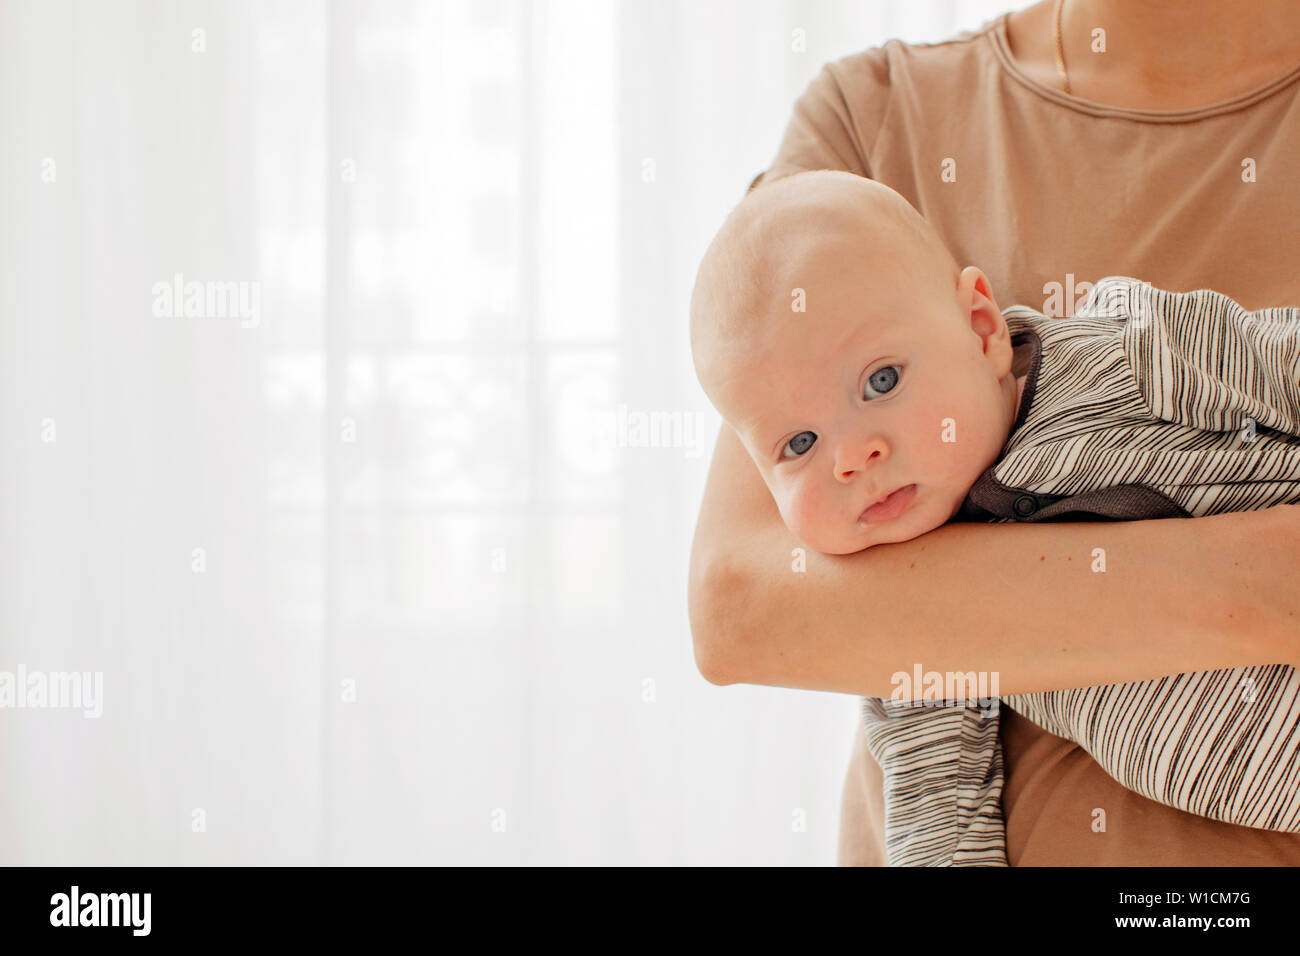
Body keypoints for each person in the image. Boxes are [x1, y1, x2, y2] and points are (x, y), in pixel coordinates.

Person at [687, 0, 1300, 865]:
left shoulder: (1113, 353)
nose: (853, 455)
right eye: (798, 446)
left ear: (982, 328)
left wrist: (976, 601)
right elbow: (744, 609)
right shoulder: (876, 113)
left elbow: (1272, 364)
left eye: (883, 383)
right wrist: (1264, 585)